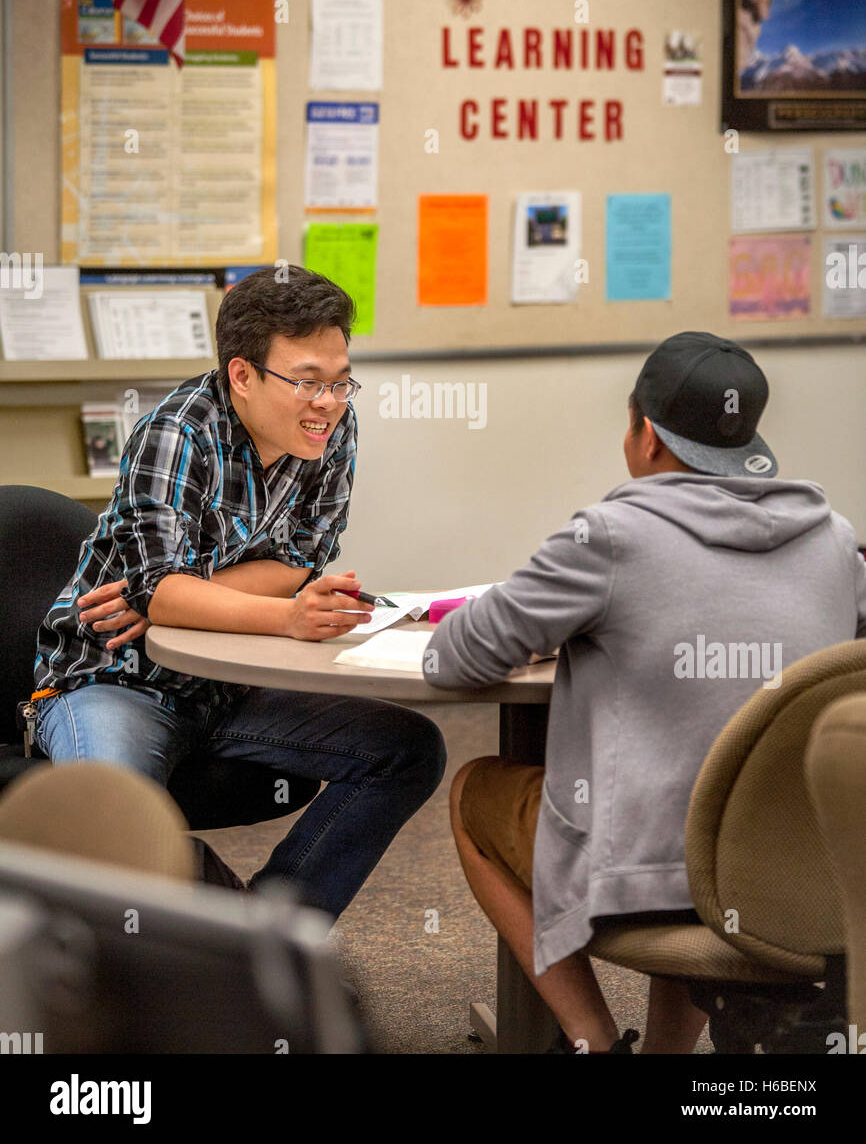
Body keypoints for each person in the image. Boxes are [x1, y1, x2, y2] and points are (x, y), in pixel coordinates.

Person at [424, 331, 866, 1054]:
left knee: (475, 791)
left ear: (647, 434)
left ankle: (594, 1041)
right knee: (699, 778)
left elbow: (457, 657)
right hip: (781, 866)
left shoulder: (609, 537)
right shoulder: (835, 540)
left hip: (649, 869)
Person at [33, 265, 447, 920]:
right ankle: (233, 933)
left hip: (230, 679)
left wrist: (179, 596)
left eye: (341, 381)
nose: (329, 401)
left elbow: (297, 560)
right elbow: (165, 594)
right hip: (114, 677)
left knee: (406, 750)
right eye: (308, 381)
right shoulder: (176, 433)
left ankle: (275, 927)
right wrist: (279, 616)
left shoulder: (330, 430)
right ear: (243, 376)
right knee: (108, 823)